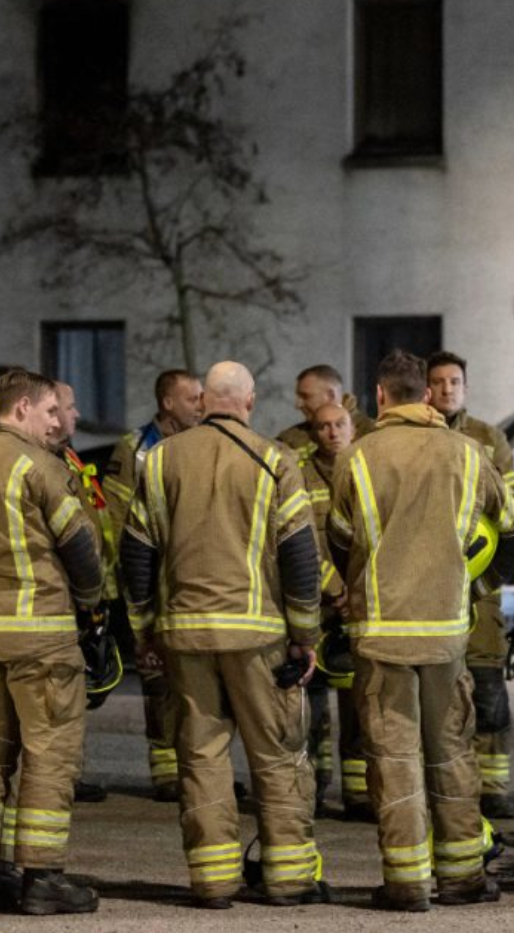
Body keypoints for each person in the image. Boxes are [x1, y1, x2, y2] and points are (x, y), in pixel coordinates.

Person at [119, 362, 327, 909]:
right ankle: (288, 878)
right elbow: (300, 557)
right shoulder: (276, 460)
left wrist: (143, 629)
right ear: (249, 402)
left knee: (202, 758)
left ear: (204, 401)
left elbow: (136, 553)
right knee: (278, 756)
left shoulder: (159, 459)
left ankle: (213, 880)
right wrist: (305, 635)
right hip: (260, 637)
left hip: (184, 636)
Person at [328, 351, 514, 912]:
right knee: (452, 753)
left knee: (394, 760)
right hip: (446, 632)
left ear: (380, 396)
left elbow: (339, 543)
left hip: (381, 634)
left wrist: (363, 588)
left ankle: (407, 882)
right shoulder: (468, 453)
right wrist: (474, 587)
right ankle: (462, 876)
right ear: (426, 395)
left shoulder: (356, 457)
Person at [0, 369, 103, 915]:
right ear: (23, 407)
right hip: (41, 636)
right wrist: (92, 601)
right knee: (49, 757)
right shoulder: (38, 466)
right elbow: (80, 547)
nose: (55, 422)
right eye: (49, 411)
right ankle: (41, 879)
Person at [99, 368, 203, 802]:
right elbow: (115, 517)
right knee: (158, 676)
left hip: (191, 577)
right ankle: (166, 772)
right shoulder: (135, 449)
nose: (200, 405)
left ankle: (196, 770)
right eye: (192, 398)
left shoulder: (201, 443)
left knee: (196, 680)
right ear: (167, 403)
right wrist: (124, 578)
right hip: (150, 577)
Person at [426, 351, 514, 820]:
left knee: (488, 688)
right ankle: (445, 782)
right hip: (427, 584)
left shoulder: (488, 438)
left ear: (466, 387)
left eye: (455, 381)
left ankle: (493, 786)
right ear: (426, 389)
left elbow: (511, 508)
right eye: (440, 382)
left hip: (480, 588)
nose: (448, 389)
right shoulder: (417, 438)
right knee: (437, 691)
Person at [301, 402, 368, 820]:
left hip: (358, 603)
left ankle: (360, 794)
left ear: (353, 427)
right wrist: (335, 587)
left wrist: (356, 590)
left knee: (360, 703)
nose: (332, 432)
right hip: (315, 603)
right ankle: (314, 787)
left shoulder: (367, 467)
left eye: (339, 424)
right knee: (311, 707)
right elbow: (301, 539)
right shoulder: (299, 474)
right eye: (323, 426)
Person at [52, 381, 116, 804]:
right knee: (60, 695)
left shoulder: (68, 457)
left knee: (77, 691)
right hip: (67, 594)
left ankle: (69, 770)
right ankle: (60, 775)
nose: (76, 414)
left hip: (89, 589)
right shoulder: (46, 462)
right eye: (69, 407)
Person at [276, 364, 378, 464]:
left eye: (305, 396)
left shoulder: (372, 433)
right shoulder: (290, 439)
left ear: (331, 395)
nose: (298, 405)